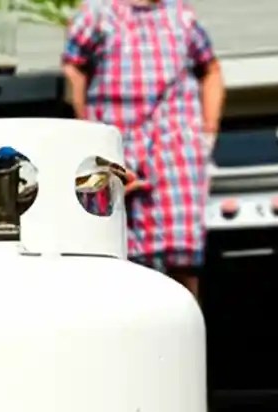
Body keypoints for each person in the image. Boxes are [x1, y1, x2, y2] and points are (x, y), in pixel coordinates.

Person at [61, 0, 225, 296]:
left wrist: (208, 129)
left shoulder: (181, 17)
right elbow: (73, 67)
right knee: (113, 252)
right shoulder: (98, 14)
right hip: (116, 146)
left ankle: (183, 336)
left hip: (174, 146)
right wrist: (84, 127)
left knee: (182, 259)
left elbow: (211, 69)